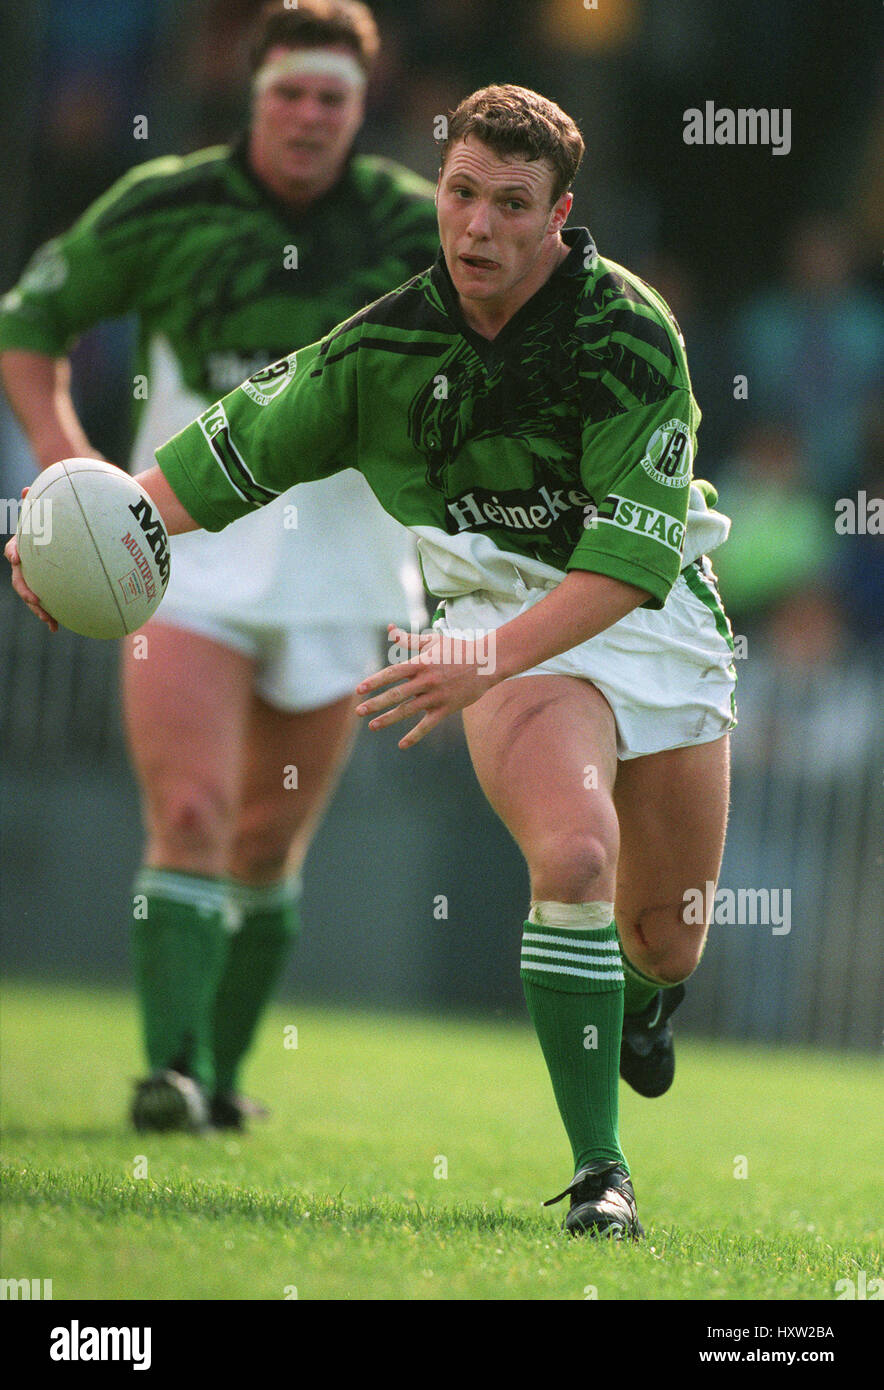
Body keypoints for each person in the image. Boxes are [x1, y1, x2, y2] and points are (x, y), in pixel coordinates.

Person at [9, 84, 736, 1236]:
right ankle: (602, 1174)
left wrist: (483, 659)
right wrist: (82, 540)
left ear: (558, 216)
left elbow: (627, 570)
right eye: (459, 193)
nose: (477, 226)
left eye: (509, 204)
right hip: (492, 612)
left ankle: (644, 1002)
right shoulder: (381, 345)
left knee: (664, 933)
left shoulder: (631, 333)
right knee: (579, 854)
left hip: (648, 613)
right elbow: (229, 454)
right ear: (438, 189)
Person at [0, 0, 439, 1133]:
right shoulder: (166, 202)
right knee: (189, 808)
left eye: (331, 98)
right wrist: (71, 487)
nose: (306, 116)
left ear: (363, 107)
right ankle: (169, 1073)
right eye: (287, 93)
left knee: (265, 839)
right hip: (179, 551)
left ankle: (223, 1070)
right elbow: (30, 324)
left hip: (345, 564)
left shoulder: (414, 225)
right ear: (252, 97)